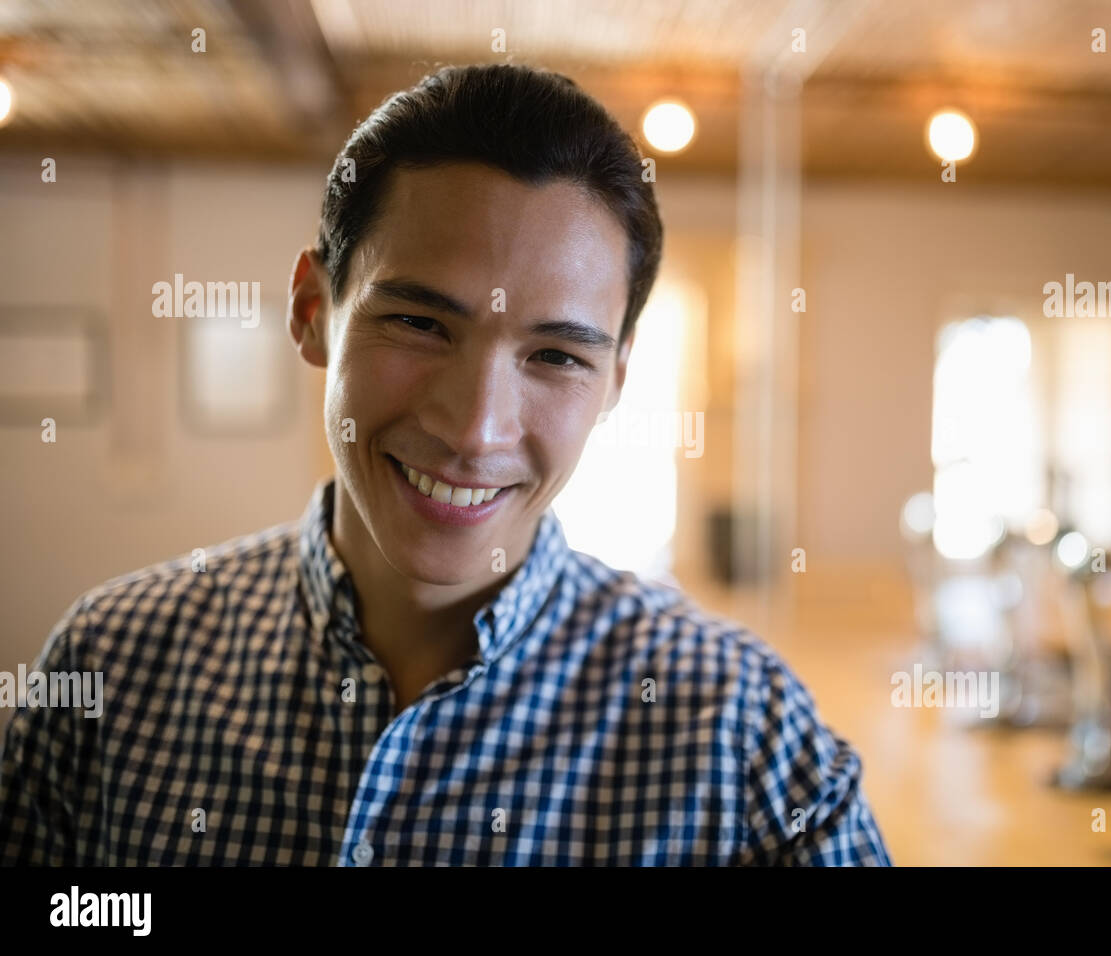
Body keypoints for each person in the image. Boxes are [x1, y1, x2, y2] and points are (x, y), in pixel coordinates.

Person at [0, 63, 891, 866]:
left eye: (556, 356)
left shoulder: (743, 736)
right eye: (421, 324)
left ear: (615, 381)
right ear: (313, 311)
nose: (475, 429)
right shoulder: (110, 666)